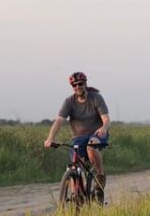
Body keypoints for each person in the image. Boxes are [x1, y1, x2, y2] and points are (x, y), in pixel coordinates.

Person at [44, 71, 110, 202]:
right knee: (75, 164)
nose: (77, 87)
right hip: (79, 137)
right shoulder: (69, 101)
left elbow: (106, 119)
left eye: (80, 84)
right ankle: (77, 195)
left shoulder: (96, 98)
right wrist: (50, 138)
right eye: (74, 85)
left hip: (97, 134)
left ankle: (100, 175)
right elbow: (59, 121)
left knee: (91, 147)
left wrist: (103, 128)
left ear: (85, 84)